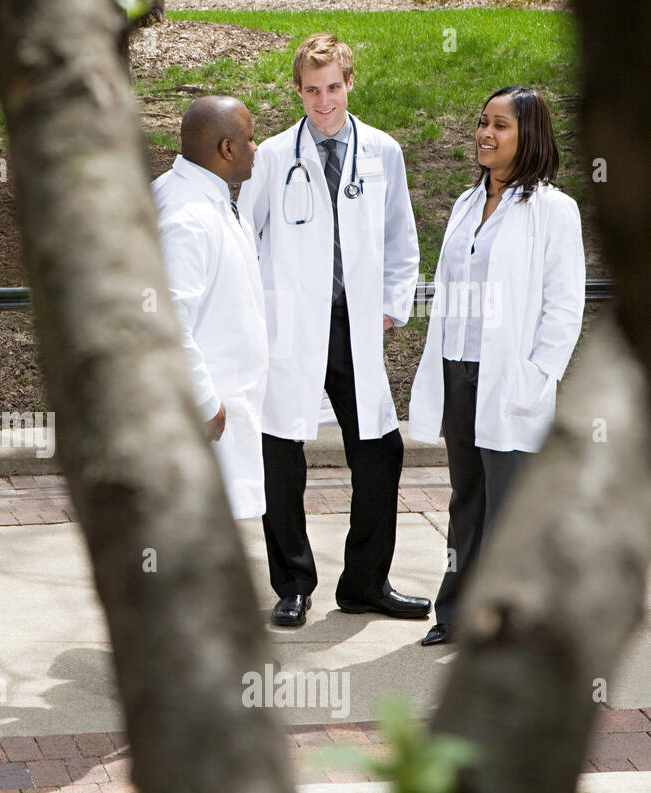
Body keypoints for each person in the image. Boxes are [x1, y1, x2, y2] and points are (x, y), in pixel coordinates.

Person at [237, 33, 428, 627]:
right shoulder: (271, 156)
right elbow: (245, 236)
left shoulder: (382, 151)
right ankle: (292, 583)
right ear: (298, 90)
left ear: (350, 83)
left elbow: (401, 236)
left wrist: (393, 306)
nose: (324, 101)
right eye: (312, 90)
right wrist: (252, 317)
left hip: (354, 322)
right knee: (279, 449)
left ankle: (365, 582)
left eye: (334, 87)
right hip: (289, 325)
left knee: (379, 450)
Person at [408, 86, 584, 646]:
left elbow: (564, 305)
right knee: (467, 498)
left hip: (510, 375)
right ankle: (455, 612)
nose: (485, 133)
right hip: (460, 368)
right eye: (482, 122)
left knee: (509, 506)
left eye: (500, 126)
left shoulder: (553, 210)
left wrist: (538, 373)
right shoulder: (466, 203)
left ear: (527, 135)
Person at [151, 95, 268, 520]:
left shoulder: (198, 196)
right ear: (226, 149)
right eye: (250, 139)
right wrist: (204, 403)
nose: (257, 148)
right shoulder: (186, 217)